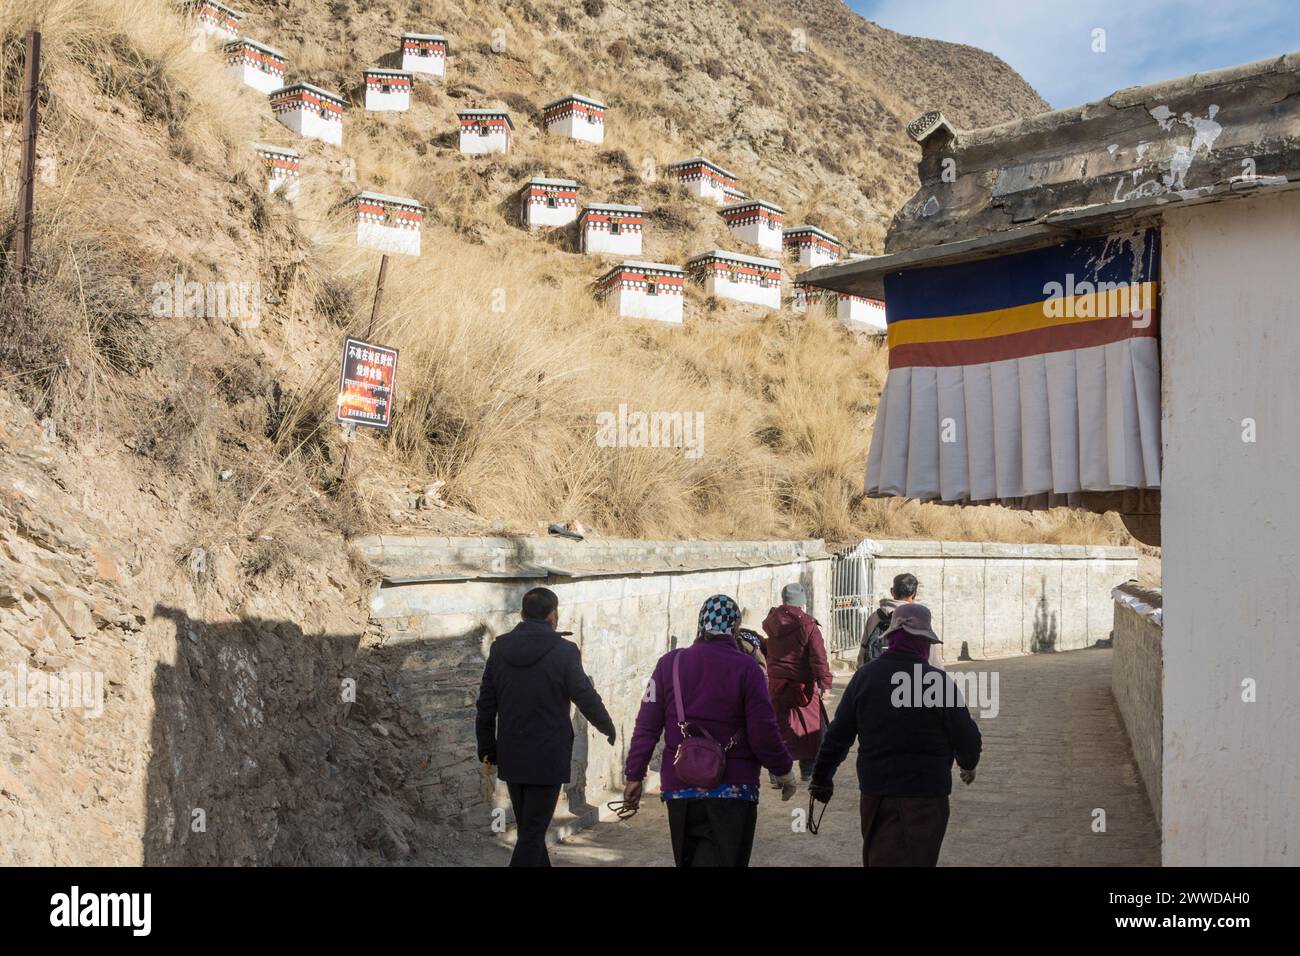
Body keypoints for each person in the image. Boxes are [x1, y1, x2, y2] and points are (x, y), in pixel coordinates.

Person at [622, 594, 799, 867]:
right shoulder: (748, 669)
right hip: (734, 787)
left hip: (680, 786)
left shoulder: (669, 664)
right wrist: (784, 770)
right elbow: (763, 732)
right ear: (735, 628)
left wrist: (634, 774)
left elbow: (646, 726)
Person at [809, 603, 981, 867]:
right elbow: (966, 735)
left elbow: (838, 735)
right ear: (925, 643)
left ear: (891, 638)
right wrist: (967, 763)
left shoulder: (865, 677)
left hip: (877, 791)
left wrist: (822, 777)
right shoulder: (937, 682)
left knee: (880, 858)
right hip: (927, 793)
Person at [475, 586, 617, 867]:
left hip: (512, 752)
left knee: (531, 829)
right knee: (532, 832)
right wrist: (607, 726)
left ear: (522, 614)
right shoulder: (564, 651)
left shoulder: (500, 647)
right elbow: (584, 695)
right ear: (553, 615)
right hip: (548, 755)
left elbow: (486, 703)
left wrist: (487, 747)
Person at [762, 582, 833, 782]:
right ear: (802, 604)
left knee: (779, 727)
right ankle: (807, 771)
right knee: (809, 729)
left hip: (776, 685)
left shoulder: (771, 621)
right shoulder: (808, 625)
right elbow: (818, 657)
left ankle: (776, 773)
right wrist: (825, 683)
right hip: (803, 686)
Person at [858, 572, 940, 669]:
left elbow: (863, 651)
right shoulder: (919, 618)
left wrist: (863, 673)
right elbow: (933, 659)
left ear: (892, 592)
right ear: (914, 593)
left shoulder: (875, 617)